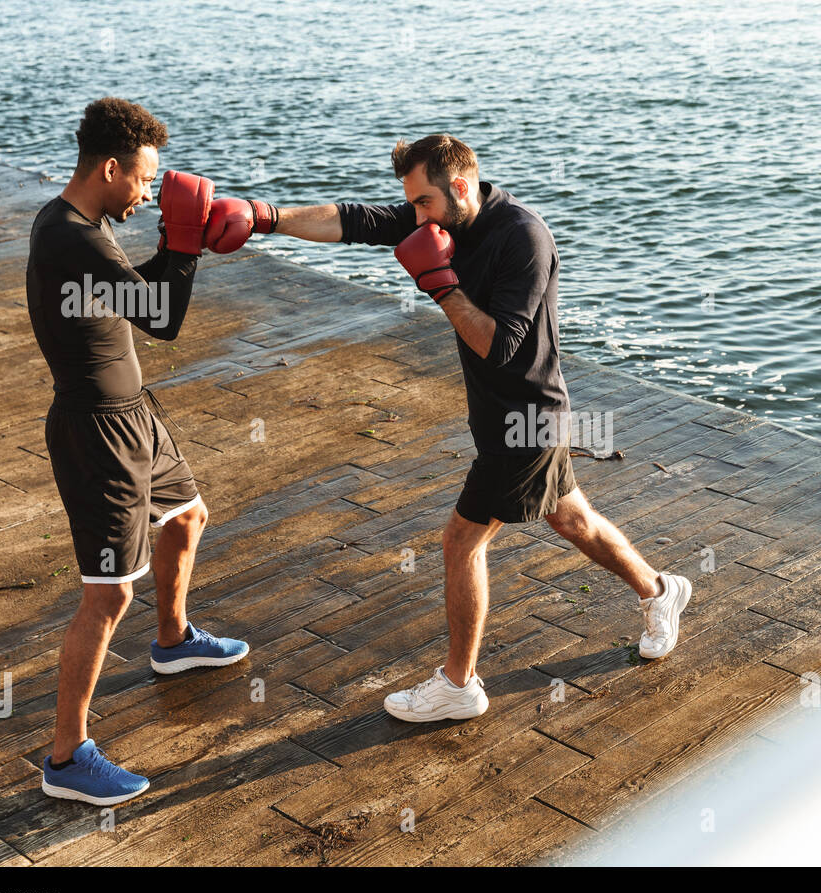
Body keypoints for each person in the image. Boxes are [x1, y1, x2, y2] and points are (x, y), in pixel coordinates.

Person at [215, 134, 690, 722]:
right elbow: (355, 220)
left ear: (459, 188)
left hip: (526, 420)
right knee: (572, 519)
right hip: (502, 416)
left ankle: (458, 684)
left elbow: (500, 346)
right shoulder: (445, 219)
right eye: (412, 204)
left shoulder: (523, 239)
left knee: (461, 542)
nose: (414, 216)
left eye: (422, 204)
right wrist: (267, 218)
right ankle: (660, 591)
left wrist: (440, 285)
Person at [26, 97, 248, 805]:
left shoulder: (78, 226)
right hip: (97, 433)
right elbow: (164, 319)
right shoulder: (72, 237)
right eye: (144, 180)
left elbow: (140, 294)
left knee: (187, 517)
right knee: (108, 593)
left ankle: (174, 639)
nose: (148, 193)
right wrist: (183, 241)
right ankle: (66, 756)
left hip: (134, 416)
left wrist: (176, 249)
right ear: (111, 167)